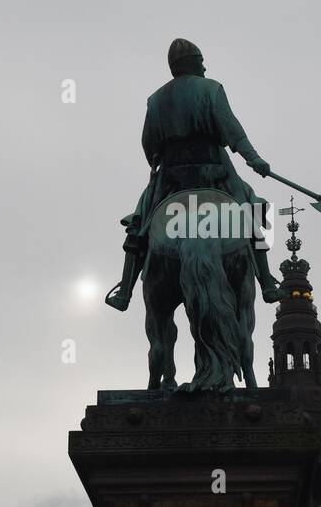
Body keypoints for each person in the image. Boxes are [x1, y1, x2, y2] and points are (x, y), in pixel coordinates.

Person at [106, 38, 287, 310]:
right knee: (253, 211)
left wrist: (158, 162)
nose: (205, 67)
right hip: (215, 169)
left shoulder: (155, 100)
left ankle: (125, 291)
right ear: (193, 63)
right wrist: (255, 159)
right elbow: (233, 131)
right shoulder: (212, 89)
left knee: (139, 226)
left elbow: (148, 144)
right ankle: (267, 282)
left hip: (170, 176)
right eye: (202, 61)